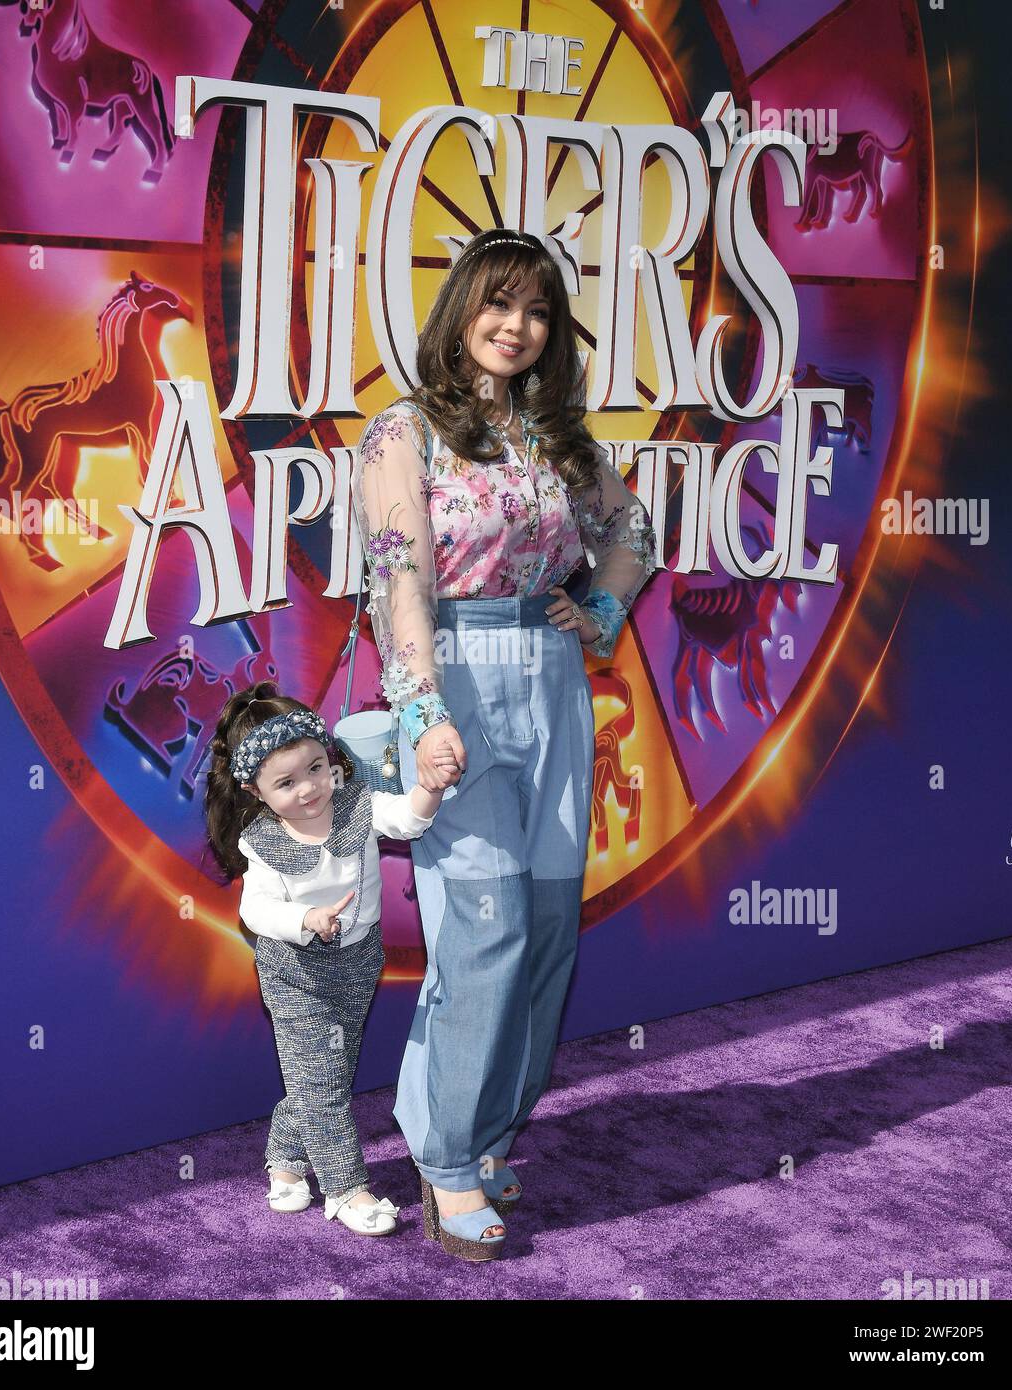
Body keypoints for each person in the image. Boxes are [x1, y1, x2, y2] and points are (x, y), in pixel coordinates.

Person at [351, 228, 658, 1260]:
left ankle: (485, 1132)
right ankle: (441, 1159)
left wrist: (601, 611)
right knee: (477, 933)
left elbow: (631, 531)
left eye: (534, 309)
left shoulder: (561, 439)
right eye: (497, 303)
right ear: (460, 311)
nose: (515, 326)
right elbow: (402, 577)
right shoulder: (403, 431)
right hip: (455, 687)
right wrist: (422, 712)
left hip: (554, 685)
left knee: (540, 929)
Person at [203, 680, 455, 1236]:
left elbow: (408, 819)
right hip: (294, 976)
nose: (310, 789)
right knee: (320, 1082)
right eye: (286, 783)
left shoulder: (357, 805)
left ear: (331, 757)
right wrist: (304, 921)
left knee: (327, 1074)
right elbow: (255, 911)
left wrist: (430, 788)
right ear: (254, 791)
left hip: (359, 961)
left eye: (316, 768)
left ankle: (287, 1160)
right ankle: (346, 1189)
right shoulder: (262, 843)